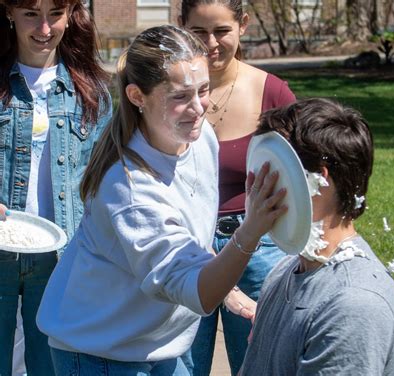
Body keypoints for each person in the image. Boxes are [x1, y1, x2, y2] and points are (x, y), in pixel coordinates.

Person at [36, 25, 287, 375]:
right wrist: (250, 231)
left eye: (203, 89)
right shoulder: (129, 188)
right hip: (99, 351)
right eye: (181, 96)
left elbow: (190, 239)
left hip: (153, 342)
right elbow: (198, 293)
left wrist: (234, 295)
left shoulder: (200, 139)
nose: (199, 107)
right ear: (138, 96)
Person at [239, 98, 394, 375]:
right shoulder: (287, 269)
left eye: (271, 173)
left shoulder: (352, 306)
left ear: (319, 181)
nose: (255, 185)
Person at [179, 1, 296, 373]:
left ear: (242, 25)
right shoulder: (166, 93)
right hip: (184, 246)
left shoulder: (273, 94)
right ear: (182, 27)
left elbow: (303, 178)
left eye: (222, 31)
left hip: (258, 249)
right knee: (180, 363)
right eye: (198, 31)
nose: (210, 43)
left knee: (257, 363)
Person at [0, 0, 111, 374]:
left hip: (61, 259)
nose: (44, 29)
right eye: (31, 14)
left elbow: (107, 182)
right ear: (9, 12)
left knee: (52, 367)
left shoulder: (93, 91)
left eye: (55, 14)